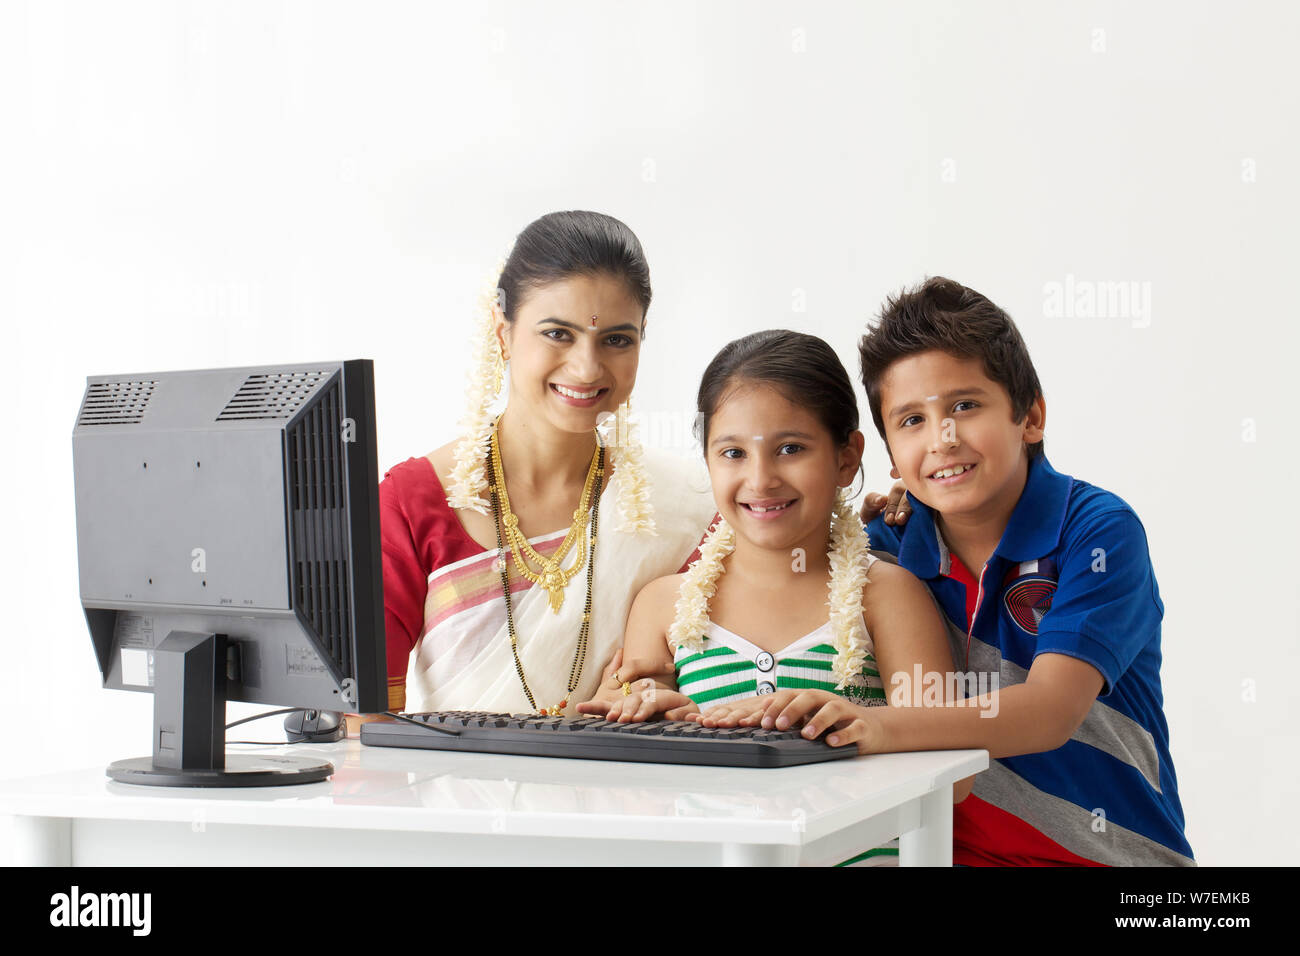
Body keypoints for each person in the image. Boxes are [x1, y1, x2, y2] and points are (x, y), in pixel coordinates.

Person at [707, 277, 1194, 866]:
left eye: (964, 406)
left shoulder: (1095, 531)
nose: (942, 439)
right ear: (887, 451)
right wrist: (641, 674)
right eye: (911, 420)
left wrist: (877, 725)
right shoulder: (883, 545)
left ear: (1031, 416)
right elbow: (745, 561)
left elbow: (1047, 713)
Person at [578, 330, 971, 864]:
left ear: (846, 458)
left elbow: (953, 780)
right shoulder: (663, 603)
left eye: (790, 448)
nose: (760, 479)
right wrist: (647, 715)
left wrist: (828, 731)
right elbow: (626, 776)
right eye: (733, 452)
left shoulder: (888, 596)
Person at [372, 211, 716, 722]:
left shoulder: (686, 508)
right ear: (503, 332)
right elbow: (363, 722)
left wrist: (651, 694)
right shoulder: (413, 501)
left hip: (627, 793)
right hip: (443, 795)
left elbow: (722, 686)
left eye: (618, 339)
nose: (586, 367)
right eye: (558, 333)